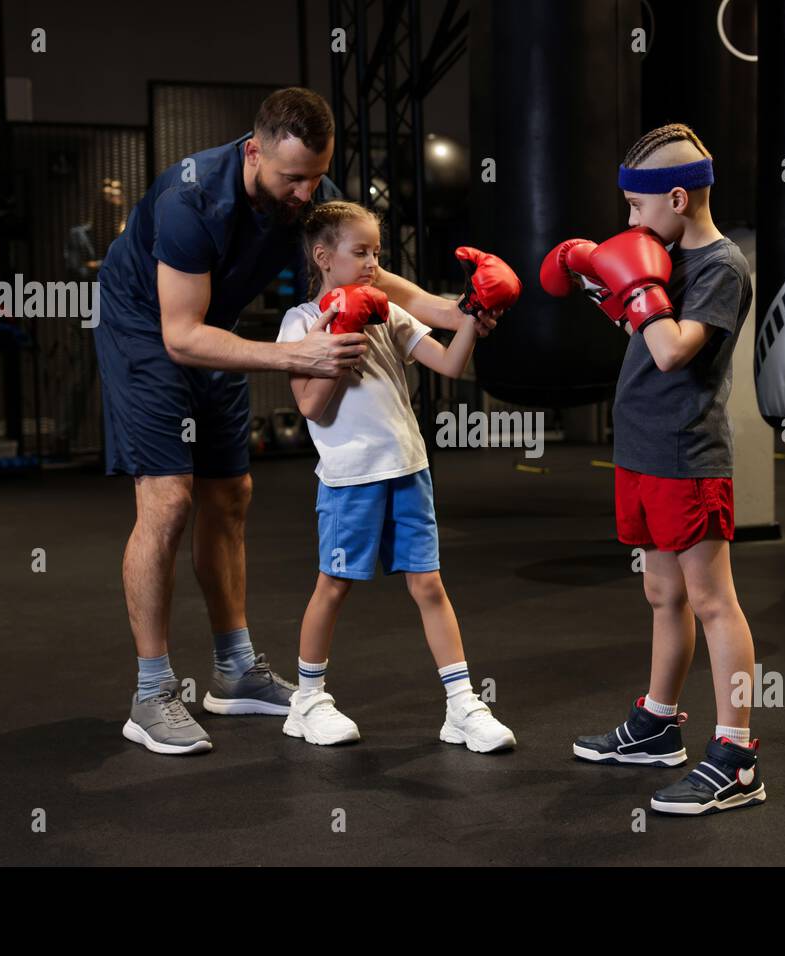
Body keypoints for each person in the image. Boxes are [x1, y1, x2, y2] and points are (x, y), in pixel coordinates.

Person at [94, 87, 499, 755]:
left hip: (211, 328)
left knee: (231, 494)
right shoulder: (190, 201)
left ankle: (234, 669)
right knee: (168, 499)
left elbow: (367, 272)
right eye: (292, 177)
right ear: (253, 152)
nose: (306, 192)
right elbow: (179, 335)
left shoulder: (310, 191)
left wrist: (454, 312)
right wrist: (294, 352)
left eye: (316, 175)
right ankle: (153, 689)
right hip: (147, 329)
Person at [542, 123, 764, 815]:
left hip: (686, 457)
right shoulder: (661, 260)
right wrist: (606, 287)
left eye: (638, 209)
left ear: (677, 197)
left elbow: (672, 351)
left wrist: (632, 283)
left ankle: (736, 755)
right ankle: (659, 722)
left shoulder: (723, 266)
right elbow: (641, 333)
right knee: (661, 596)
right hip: (640, 451)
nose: (630, 223)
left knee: (712, 600)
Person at [274, 201, 519, 752]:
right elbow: (311, 406)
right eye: (359, 252)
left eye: (377, 252)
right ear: (323, 257)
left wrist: (474, 320)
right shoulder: (300, 323)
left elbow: (451, 365)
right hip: (348, 479)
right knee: (333, 586)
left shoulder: (390, 311)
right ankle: (307, 701)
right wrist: (340, 334)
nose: (372, 262)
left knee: (429, 584)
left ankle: (461, 705)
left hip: (409, 468)